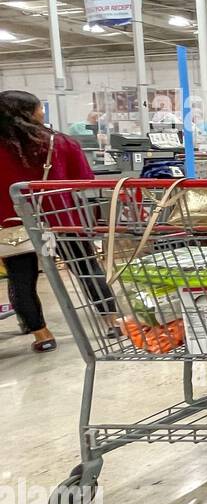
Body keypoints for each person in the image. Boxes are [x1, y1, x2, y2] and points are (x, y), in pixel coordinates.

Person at [0, 90, 107, 353]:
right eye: (39, 107)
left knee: (21, 279)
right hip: (63, 220)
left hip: (13, 223)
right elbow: (84, 182)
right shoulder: (60, 143)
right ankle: (112, 319)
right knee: (86, 269)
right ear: (32, 112)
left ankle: (42, 335)